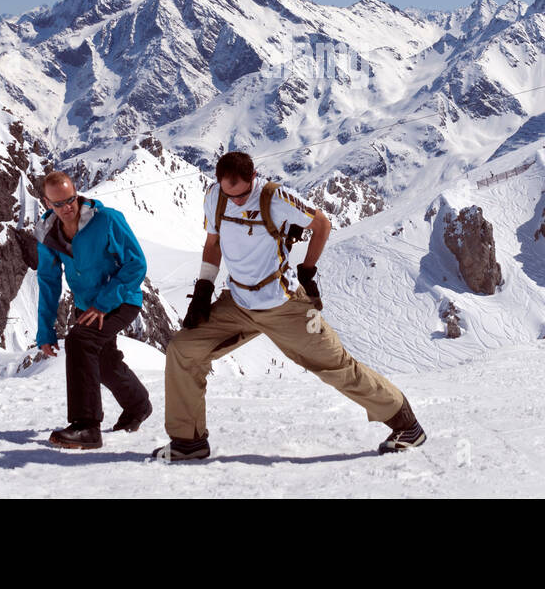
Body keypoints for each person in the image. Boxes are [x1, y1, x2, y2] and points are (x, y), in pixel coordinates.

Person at [150, 151, 426, 461]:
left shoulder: (275, 197)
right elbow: (213, 243)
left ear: (253, 178)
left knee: (336, 365)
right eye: (231, 195)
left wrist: (308, 270)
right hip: (238, 304)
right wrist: (204, 289)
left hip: (283, 305)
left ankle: (406, 424)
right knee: (183, 349)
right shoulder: (215, 197)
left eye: (242, 194)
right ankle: (189, 441)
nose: (237, 201)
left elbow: (321, 224)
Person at [36, 171, 153, 449]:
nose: (67, 208)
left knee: (80, 340)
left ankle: (86, 426)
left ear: (77, 193)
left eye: (71, 199)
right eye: (58, 204)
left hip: (121, 298)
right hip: (86, 306)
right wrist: (45, 331)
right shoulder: (47, 231)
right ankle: (137, 405)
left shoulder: (107, 219)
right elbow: (48, 281)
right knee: (103, 362)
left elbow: (136, 264)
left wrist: (103, 303)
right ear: (46, 203)